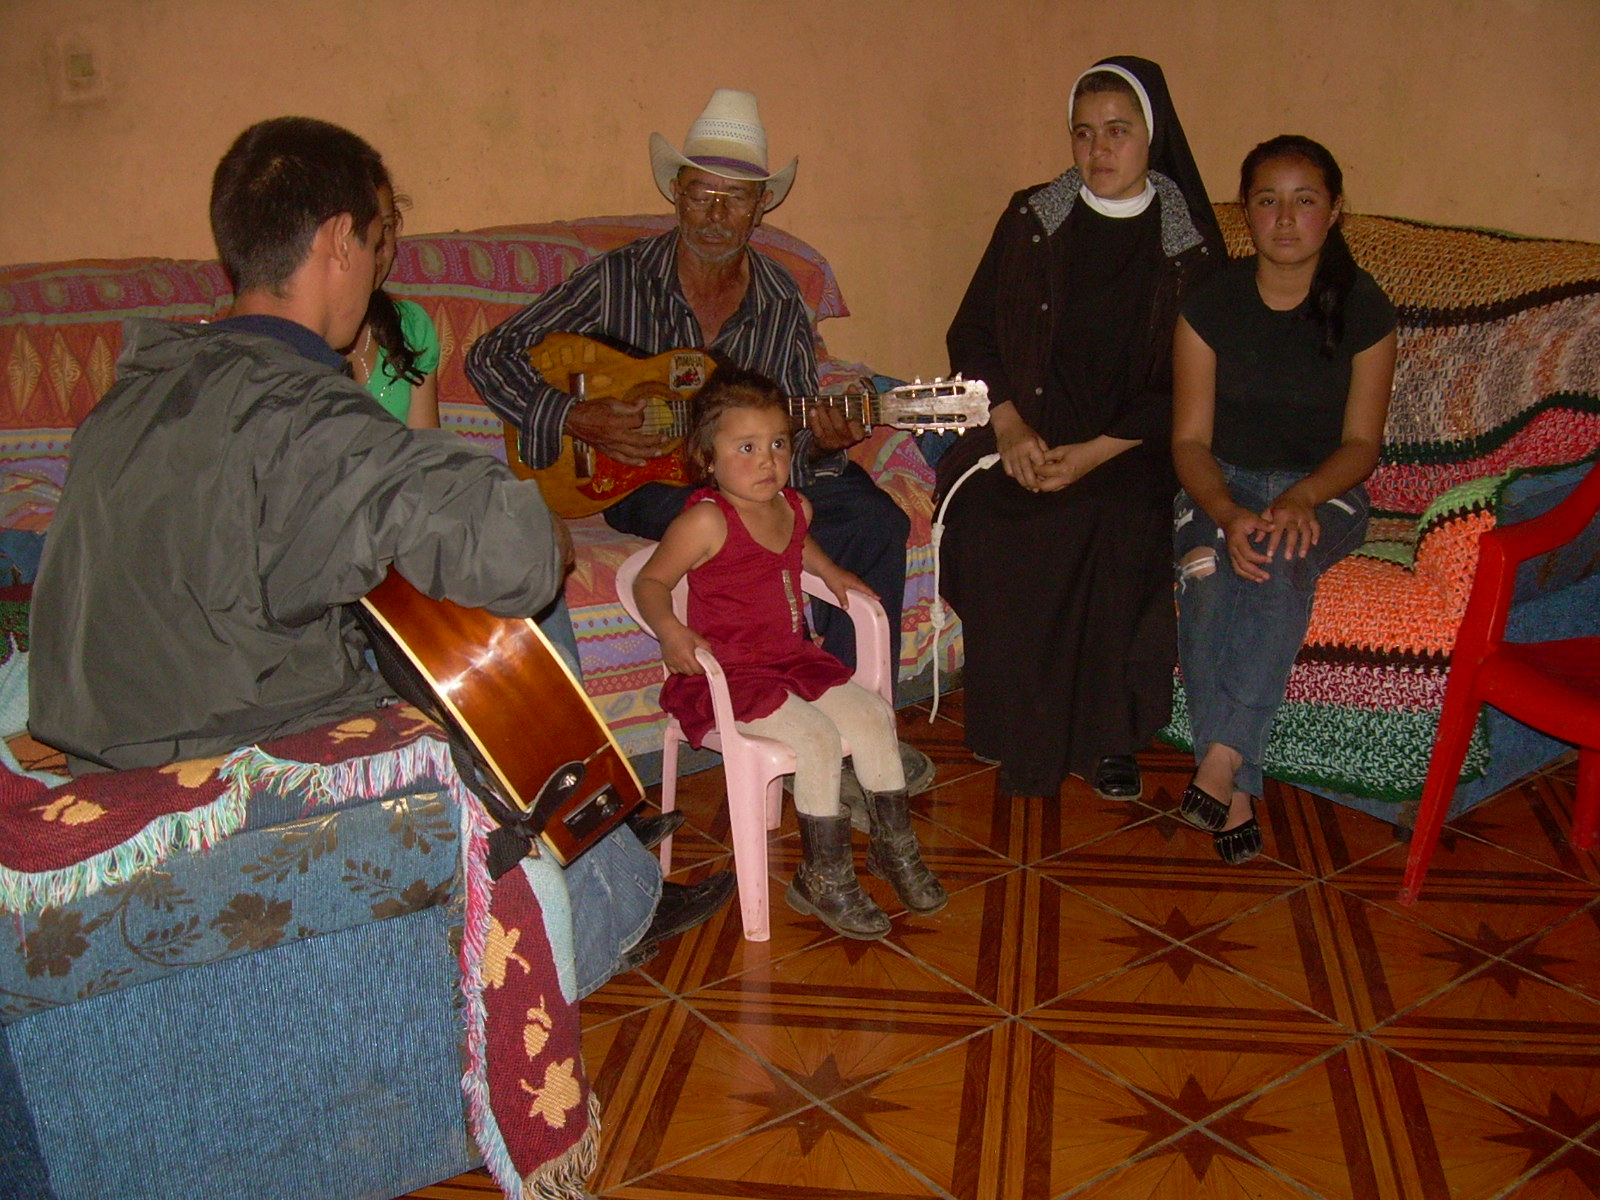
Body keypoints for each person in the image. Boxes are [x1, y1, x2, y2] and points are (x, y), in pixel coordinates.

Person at [27, 115, 732, 996]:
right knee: (493, 623)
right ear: (336, 241)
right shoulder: (304, 411)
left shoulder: (136, 391)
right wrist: (542, 530)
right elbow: (511, 551)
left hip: (114, 740)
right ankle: (600, 915)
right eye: (372, 240)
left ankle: (603, 853)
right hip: (238, 749)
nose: (376, 266)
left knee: (431, 607)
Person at [465, 88, 934, 807]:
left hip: (749, 473)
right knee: (728, 518)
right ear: (677, 197)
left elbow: (785, 441)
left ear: (759, 208)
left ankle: (852, 727)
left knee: (871, 517)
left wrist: (825, 439)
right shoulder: (621, 276)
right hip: (637, 481)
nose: (717, 216)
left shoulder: (780, 301)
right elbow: (492, 354)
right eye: (702, 196)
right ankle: (784, 709)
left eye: (736, 199)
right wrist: (574, 416)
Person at [937, 57, 1225, 803]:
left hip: (1133, 442)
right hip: (1025, 424)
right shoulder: (1033, 217)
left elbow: (1193, 383)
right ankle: (1013, 726)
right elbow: (971, 333)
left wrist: (1097, 452)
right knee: (992, 515)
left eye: (1118, 132)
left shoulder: (1189, 243)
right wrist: (1009, 429)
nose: (1099, 150)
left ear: (1151, 138)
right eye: (1084, 132)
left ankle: (1110, 737)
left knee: (1112, 518)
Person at [632, 364, 945, 937]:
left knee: (876, 716)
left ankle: (892, 848)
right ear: (707, 458)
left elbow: (802, 554)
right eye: (745, 447)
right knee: (818, 739)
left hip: (790, 659)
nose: (767, 460)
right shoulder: (705, 519)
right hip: (730, 674)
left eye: (777, 443)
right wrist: (670, 631)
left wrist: (836, 574)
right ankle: (821, 877)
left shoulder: (795, 507)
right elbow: (649, 583)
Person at [1171, 135, 1397, 863]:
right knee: (1208, 573)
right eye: (1268, 201)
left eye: (1305, 201)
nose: (1287, 218)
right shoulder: (1210, 305)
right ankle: (1234, 783)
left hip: (1325, 489)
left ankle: (1221, 754)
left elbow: (1362, 445)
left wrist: (1300, 496)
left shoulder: (1363, 308)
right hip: (1221, 482)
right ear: (1248, 215)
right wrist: (1229, 513)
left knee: (1279, 561)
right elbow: (1189, 443)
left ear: (1334, 212)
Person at [345, 184, 440, 428]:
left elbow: (425, 451)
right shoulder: (294, 339)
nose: (379, 248)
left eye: (386, 227)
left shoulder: (410, 326)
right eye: (363, 229)